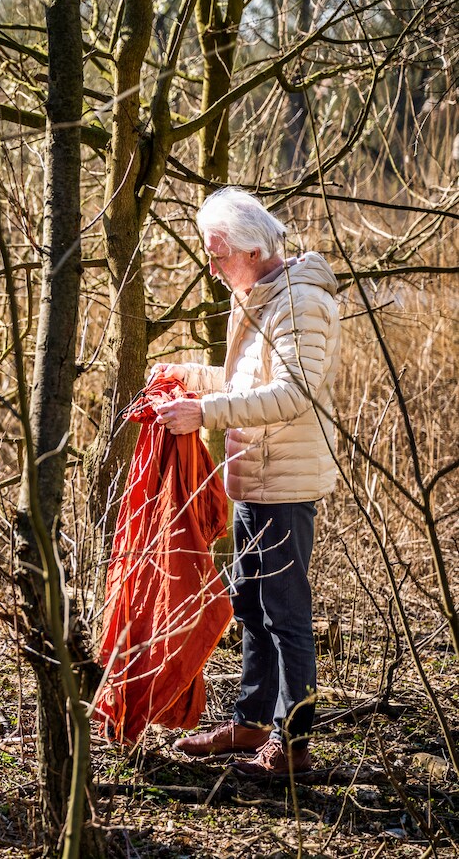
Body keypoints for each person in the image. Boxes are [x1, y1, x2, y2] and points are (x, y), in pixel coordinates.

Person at [151, 187, 340, 776]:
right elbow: (243, 381)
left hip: (285, 484)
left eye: (219, 254)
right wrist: (189, 375)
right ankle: (253, 722)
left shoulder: (299, 303)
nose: (212, 268)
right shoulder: (256, 297)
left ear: (254, 248)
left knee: (286, 616)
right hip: (251, 481)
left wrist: (202, 415)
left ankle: (291, 744)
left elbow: (291, 395)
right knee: (252, 608)